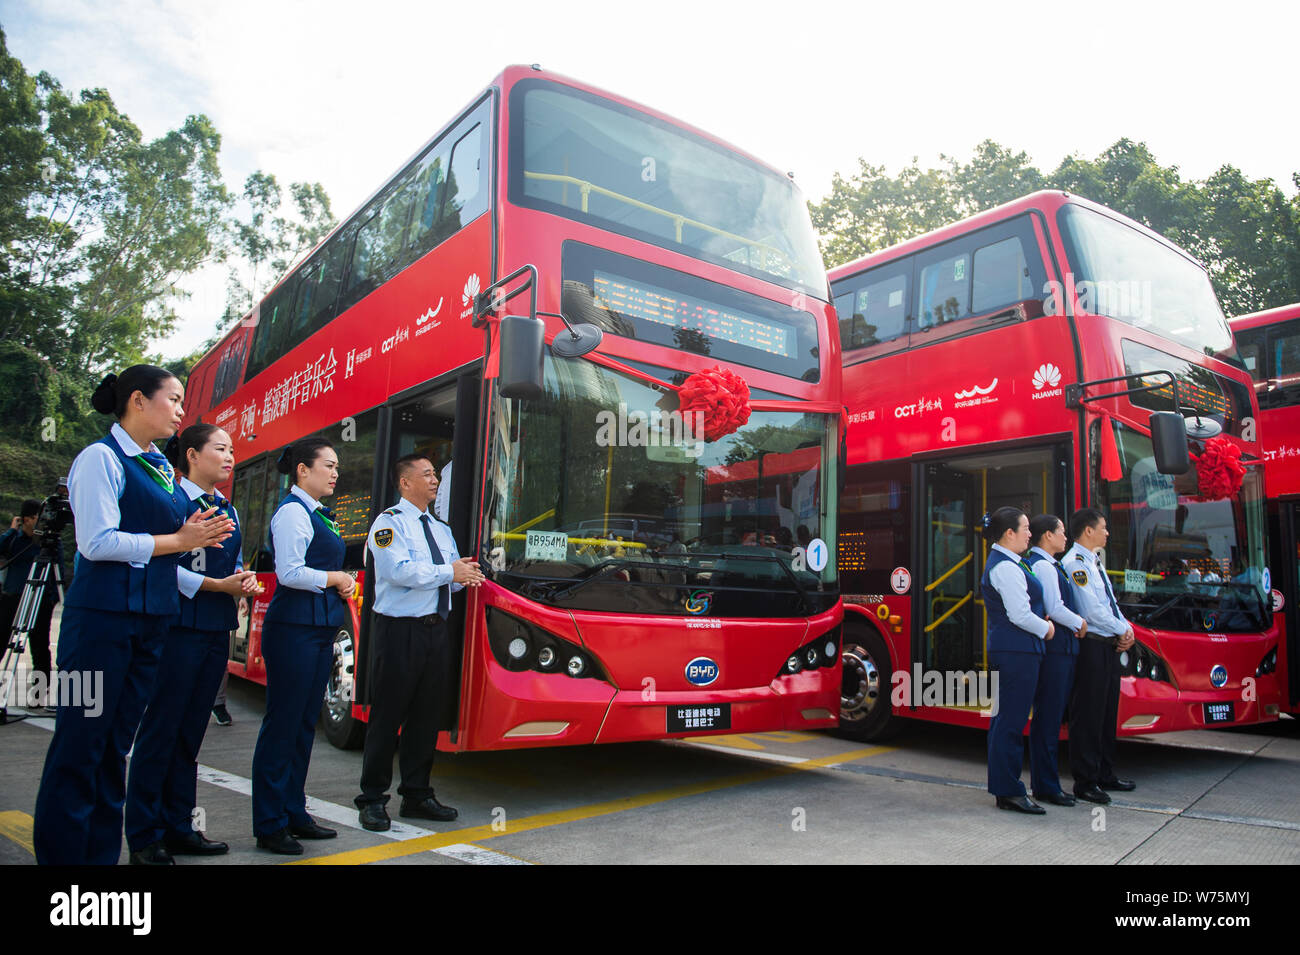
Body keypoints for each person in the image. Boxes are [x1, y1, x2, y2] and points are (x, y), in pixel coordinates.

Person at [32, 366, 233, 865]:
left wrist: (194, 533)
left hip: (150, 622)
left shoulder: (159, 468)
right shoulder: (100, 459)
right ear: (138, 401)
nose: (182, 411)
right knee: (80, 747)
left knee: (113, 749)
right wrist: (180, 540)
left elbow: (166, 539)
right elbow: (97, 542)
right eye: (175, 399)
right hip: (99, 624)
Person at [124, 424, 260, 864]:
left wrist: (242, 580)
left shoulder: (226, 507)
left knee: (189, 734)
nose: (230, 457)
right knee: (161, 730)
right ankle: (145, 835)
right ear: (192, 455)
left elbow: (232, 561)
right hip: (177, 625)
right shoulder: (172, 502)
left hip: (215, 627)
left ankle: (180, 826)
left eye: (232, 450)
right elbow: (163, 562)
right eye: (220, 449)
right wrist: (216, 585)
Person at [355, 455, 483, 831]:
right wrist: (449, 571)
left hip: (434, 630)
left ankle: (417, 793)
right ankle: (373, 798)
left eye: (435, 475)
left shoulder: (441, 530)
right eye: (426, 474)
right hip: (399, 631)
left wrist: (464, 575)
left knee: (426, 716)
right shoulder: (389, 523)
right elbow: (398, 572)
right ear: (404, 482)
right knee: (388, 715)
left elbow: (448, 579)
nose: (434, 480)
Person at [251, 438, 355, 855]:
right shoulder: (292, 513)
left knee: (301, 726)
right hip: (294, 628)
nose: (334, 473)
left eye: (336, 466)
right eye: (327, 465)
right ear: (302, 470)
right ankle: (269, 822)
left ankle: (293, 810)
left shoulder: (317, 514)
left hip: (316, 628)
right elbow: (290, 571)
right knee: (282, 725)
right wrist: (335, 578)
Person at [980, 506, 1053, 815]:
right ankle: (1009, 790)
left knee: (1005, 720)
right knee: (1010, 721)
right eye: (1025, 528)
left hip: (1015, 650)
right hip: (1016, 652)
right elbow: (1019, 614)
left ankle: (1005, 787)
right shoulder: (1006, 567)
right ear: (1009, 533)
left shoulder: (1008, 562)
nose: (1029, 534)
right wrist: (1046, 628)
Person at [1064, 507, 1137, 804]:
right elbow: (1092, 610)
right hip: (1092, 645)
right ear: (1088, 531)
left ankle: (1105, 773)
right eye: (1103, 527)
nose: (1108, 532)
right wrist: (1122, 629)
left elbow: (1110, 602)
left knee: (1107, 712)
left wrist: (1127, 628)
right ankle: (1085, 780)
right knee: (1089, 714)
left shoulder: (1095, 562)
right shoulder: (1075, 563)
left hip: (1108, 644)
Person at [1024, 514, 1088, 807]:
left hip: (1061, 648)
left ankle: (1046, 783)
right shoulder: (1044, 567)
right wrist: (1079, 622)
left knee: (1050, 717)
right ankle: (1046, 786)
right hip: (1055, 650)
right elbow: (1055, 607)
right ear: (1047, 536)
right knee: (1048, 718)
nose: (1066, 537)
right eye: (1061, 532)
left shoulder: (1049, 565)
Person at [0, 499, 64, 708]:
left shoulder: (51, 543)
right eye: (38, 517)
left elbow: (58, 570)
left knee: (39, 647)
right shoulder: (13, 540)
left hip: (41, 600)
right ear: (26, 519)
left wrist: (54, 597)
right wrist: (11, 530)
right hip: (13, 597)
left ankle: (38, 695)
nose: (43, 522)